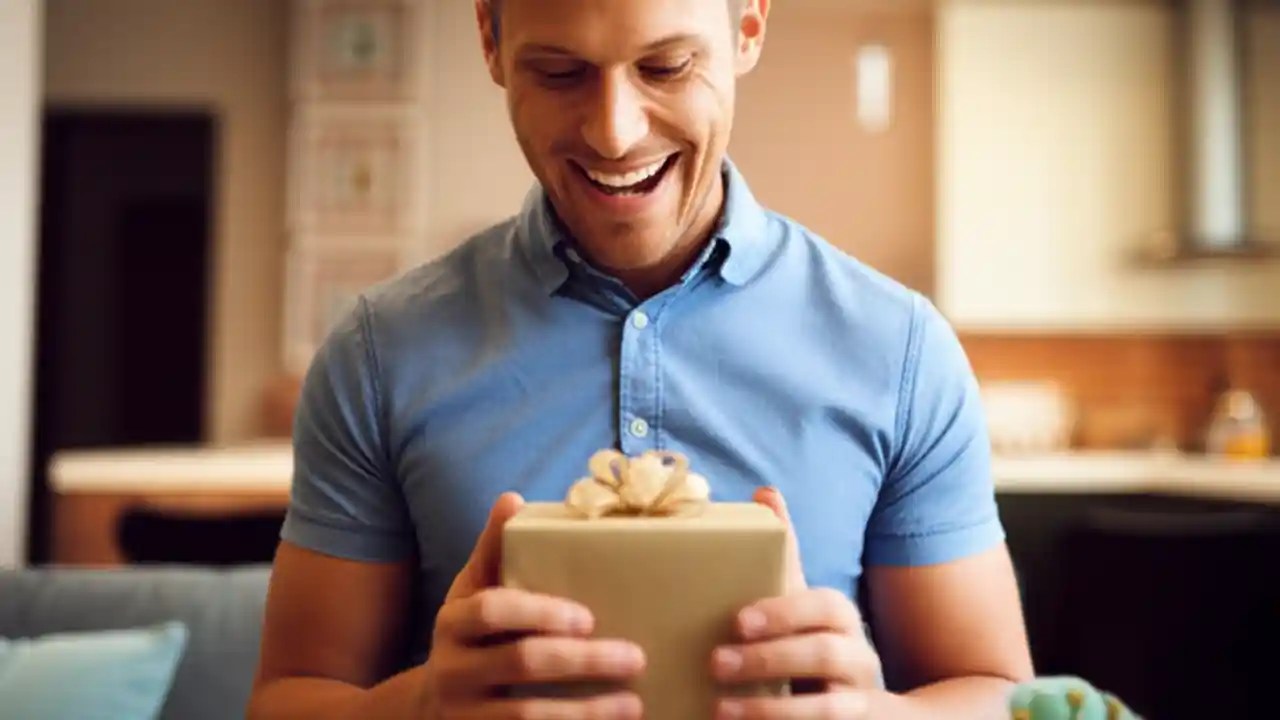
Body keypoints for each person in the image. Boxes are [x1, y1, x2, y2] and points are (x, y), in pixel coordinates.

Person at [248, 0, 1035, 717]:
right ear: (489, 37)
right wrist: (421, 709)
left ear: (749, 25)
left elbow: (1005, 697)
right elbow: (285, 700)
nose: (613, 132)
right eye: (559, 72)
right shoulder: (379, 355)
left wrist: (876, 718)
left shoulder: (899, 349)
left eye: (666, 66)